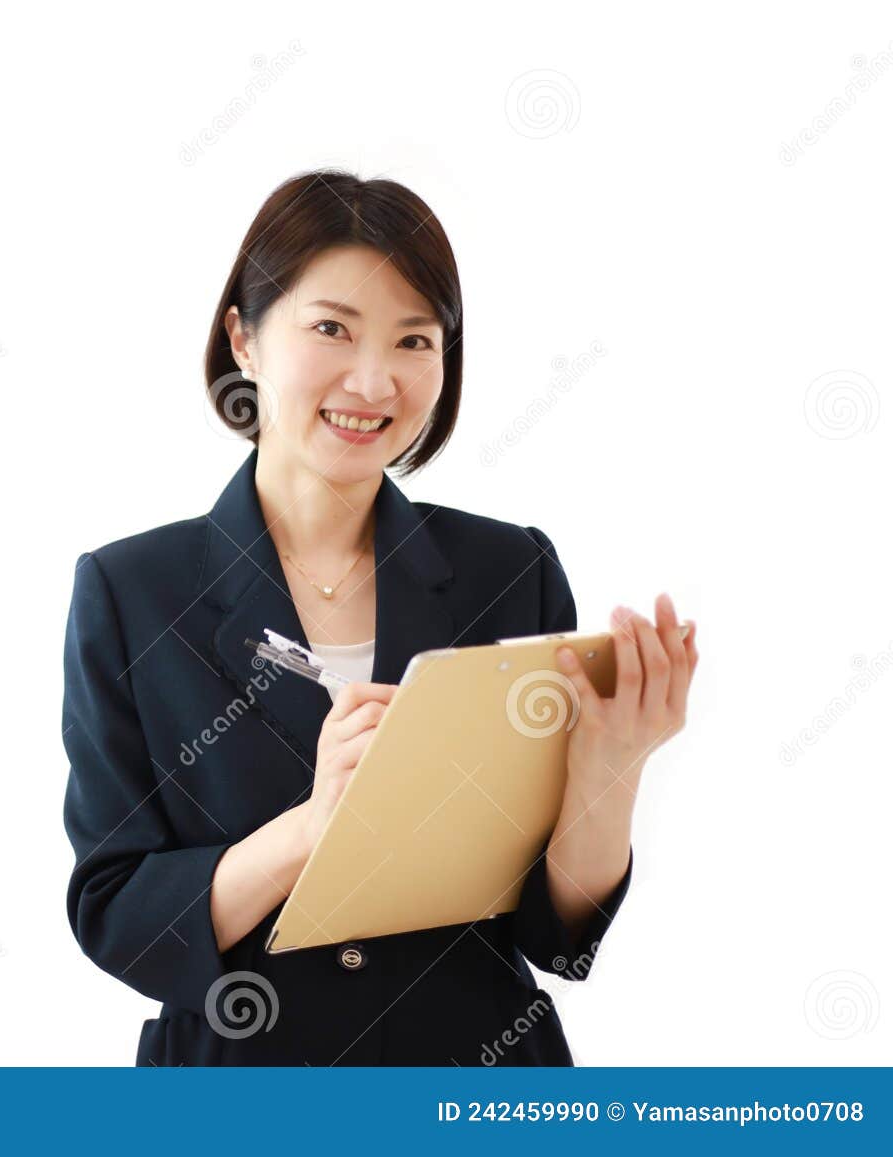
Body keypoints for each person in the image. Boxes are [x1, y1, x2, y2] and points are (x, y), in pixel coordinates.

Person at [60, 169, 699, 1066]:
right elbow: (119, 917)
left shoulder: (509, 571)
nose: (374, 379)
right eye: (331, 328)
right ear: (243, 337)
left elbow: (557, 938)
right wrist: (312, 832)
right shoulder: (133, 592)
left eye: (413, 339)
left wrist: (612, 769)